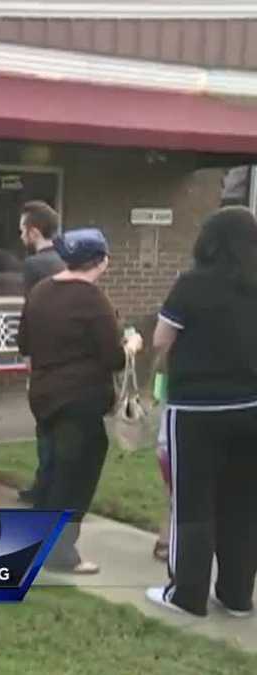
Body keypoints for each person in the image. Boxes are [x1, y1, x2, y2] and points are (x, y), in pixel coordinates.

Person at [146, 207, 257, 618]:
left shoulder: (190, 285)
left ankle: (186, 595)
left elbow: (160, 340)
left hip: (195, 408)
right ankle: (236, 596)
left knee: (193, 502)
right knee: (243, 504)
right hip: (251, 406)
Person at [18, 229, 139, 575]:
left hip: (43, 395)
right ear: (100, 261)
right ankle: (61, 553)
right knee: (76, 478)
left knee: (53, 471)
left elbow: (23, 343)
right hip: (80, 400)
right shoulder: (93, 300)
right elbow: (113, 359)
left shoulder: (40, 291)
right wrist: (131, 347)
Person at [18, 201, 66, 504]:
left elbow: (30, 313)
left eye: (22, 229)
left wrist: (27, 354)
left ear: (34, 232)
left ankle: (42, 486)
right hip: (67, 351)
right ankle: (53, 483)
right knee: (59, 423)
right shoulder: (65, 260)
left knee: (44, 423)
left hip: (43, 354)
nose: (20, 235)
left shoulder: (34, 266)